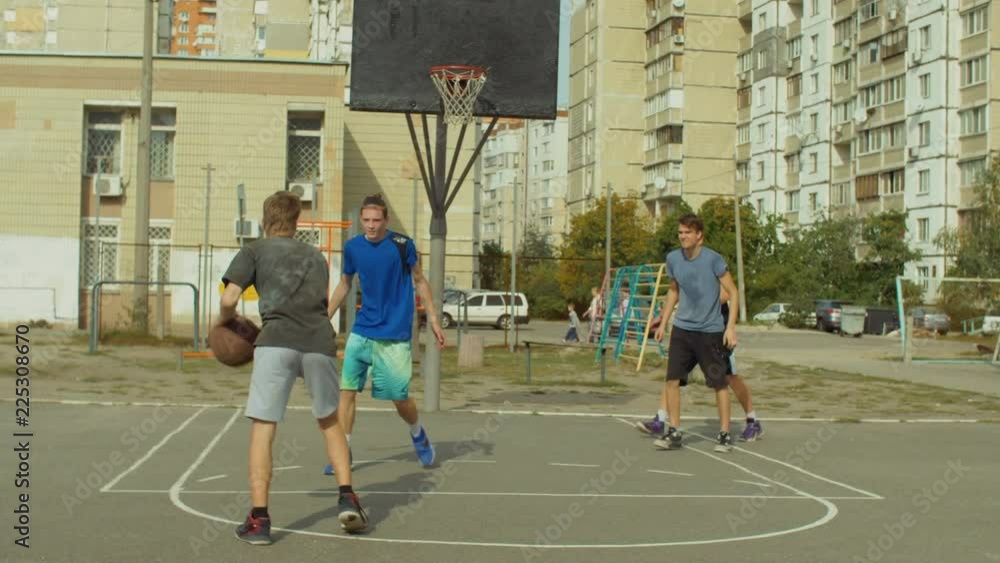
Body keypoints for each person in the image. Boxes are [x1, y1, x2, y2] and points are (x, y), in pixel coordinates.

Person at [218, 191, 366, 545]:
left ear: (264, 220)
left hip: (276, 341)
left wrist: (224, 322)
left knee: (264, 426)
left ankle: (260, 520)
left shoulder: (254, 250)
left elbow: (229, 298)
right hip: (319, 341)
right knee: (330, 421)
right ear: (297, 222)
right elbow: (320, 302)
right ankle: (348, 498)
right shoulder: (315, 257)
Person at [325, 194, 445, 473]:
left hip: (394, 333)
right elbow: (344, 284)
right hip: (363, 330)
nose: (370, 225)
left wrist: (434, 319)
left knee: (398, 398)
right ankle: (343, 452)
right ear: (361, 220)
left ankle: (417, 432)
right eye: (366, 220)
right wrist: (324, 318)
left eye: (376, 220)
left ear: (386, 220)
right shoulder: (353, 247)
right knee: (346, 391)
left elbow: (420, 281)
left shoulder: (402, 245)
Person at [651, 214, 740, 453]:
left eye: (687, 232)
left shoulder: (713, 259)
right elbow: (673, 291)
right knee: (672, 381)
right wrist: (663, 322)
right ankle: (674, 431)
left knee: (719, 383)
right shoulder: (673, 259)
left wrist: (730, 327)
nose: (682, 236)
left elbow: (733, 292)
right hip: (682, 330)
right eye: (680, 232)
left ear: (699, 235)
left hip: (710, 332)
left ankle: (724, 434)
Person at [636, 286, 763, 441]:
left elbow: (725, 294)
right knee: (674, 375)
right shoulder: (685, 272)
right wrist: (663, 316)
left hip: (716, 332)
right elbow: (678, 291)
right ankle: (660, 420)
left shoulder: (715, 271)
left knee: (729, 377)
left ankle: (752, 421)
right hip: (691, 330)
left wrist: (694, 303)